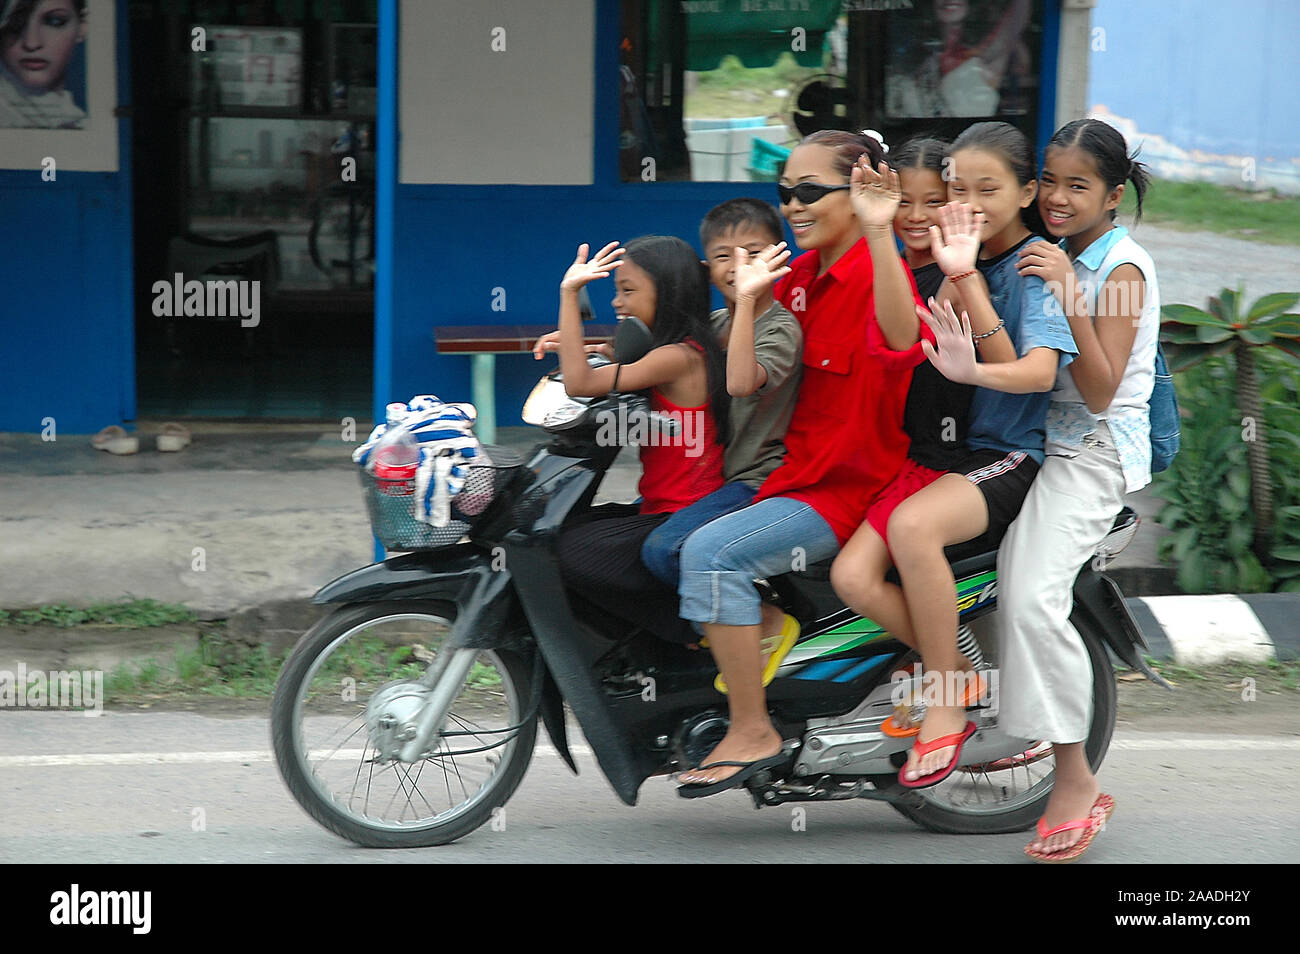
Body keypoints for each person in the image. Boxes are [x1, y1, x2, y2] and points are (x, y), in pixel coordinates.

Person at [673, 130, 926, 796]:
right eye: (786, 192)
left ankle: (752, 728)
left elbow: (904, 338)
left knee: (710, 555)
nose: (793, 204)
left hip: (847, 489)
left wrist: (880, 230)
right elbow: (728, 343)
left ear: (861, 191)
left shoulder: (878, 270)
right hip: (794, 477)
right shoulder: (803, 275)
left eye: (810, 191)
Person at [858, 121, 1078, 790]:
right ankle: (944, 666)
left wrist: (967, 280)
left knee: (911, 526)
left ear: (1027, 192)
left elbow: (1026, 371)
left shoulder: (1035, 265)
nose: (968, 204)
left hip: (1013, 453)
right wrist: (890, 239)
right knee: (851, 576)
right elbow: (904, 333)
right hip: (961, 457)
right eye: (958, 189)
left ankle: (946, 695)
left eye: (988, 189)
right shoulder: (966, 258)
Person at [996, 119, 1158, 862]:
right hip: (1039, 441)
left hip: (1091, 452)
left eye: (1079, 186)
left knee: (1030, 595)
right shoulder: (1055, 253)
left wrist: (1066, 292)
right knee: (990, 580)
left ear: (1113, 195)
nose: (1058, 198)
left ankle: (1074, 777)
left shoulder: (1120, 269)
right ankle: (1012, 727)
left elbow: (1098, 391)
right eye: (1051, 181)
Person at [828, 134, 1018, 735]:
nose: (914, 216)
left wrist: (880, 234)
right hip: (896, 456)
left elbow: (902, 334)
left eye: (932, 201)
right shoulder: (889, 263)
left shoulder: (954, 275)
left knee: (858, 574)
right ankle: (957, 669)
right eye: (900, 201)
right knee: (851, 578)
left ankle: (947, 682)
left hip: (949, 461)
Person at [548, 235, 732, 644]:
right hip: (659, 505)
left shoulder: (679, 357)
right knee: (566, 529)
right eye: (616, 291)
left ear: (668, 294)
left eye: (628, 291)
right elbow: (619, 356)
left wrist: (570, 293)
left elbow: (581, 383)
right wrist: (574, 344)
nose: (617, 302)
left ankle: (690, 632)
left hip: (683, 514)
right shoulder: (676, 348)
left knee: (568, 552)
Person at [0, 0, 87, 129]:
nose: (31, 43)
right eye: (16, 23)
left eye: (54, 21)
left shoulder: (77, 119)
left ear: (82, 28)